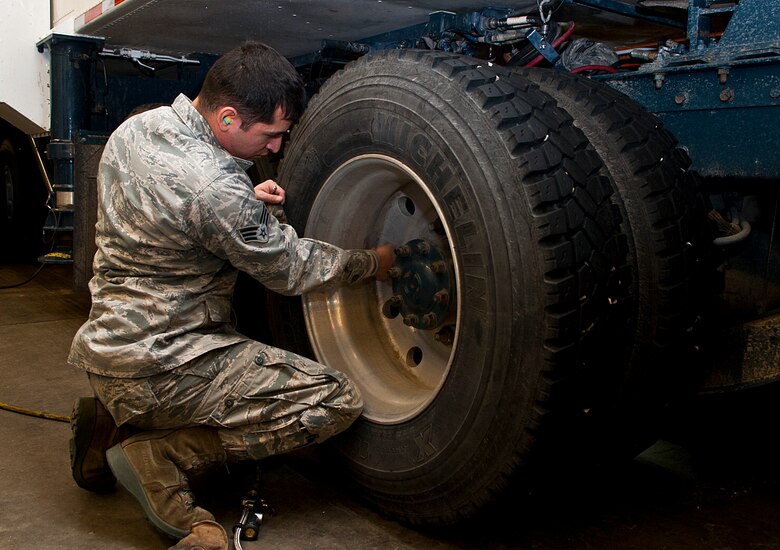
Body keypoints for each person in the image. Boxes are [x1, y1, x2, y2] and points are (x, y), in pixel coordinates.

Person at [67, 41, 395, 549]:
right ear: (226, 117)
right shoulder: (216, 189)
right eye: (270, 135)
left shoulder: (137, 129)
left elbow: (179, 210)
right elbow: (291, 268)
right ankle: (161, 455)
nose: (276, 149)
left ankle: (112, 416)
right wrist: (374, 262)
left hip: (108, 345)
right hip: (166, 364)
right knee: (335, 399)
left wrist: (243, 203)